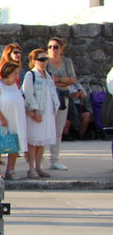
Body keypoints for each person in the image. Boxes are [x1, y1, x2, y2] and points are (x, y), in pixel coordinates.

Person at [0, 61, 28, 180]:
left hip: (15, 120)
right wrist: (2, 118)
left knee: (14, 144)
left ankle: (11, 170)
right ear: (7, 73)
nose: (17, 76)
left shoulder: (14, 86)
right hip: (0, 121)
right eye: (15, 73)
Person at [23, 48, 59, 179]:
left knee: (42, 142)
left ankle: (39, 166)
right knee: (33, 142)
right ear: (33, 61)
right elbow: (28, 93)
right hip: (37, 112)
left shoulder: (49, 76)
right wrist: (35, 109)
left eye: (45, 59)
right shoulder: (30, 75)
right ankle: (31, 168)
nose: (44, 62)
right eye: (41, 59)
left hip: (48, 111)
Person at [46, 37, 76, 170]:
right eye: (50, 47)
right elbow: (46, 80)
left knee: (58, 130)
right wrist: (61, 81)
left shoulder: (67, 62)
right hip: (48, 97)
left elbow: (73, 79)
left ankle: (55, 159)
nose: (53, 49)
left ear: (61, 49)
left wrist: (58, 80)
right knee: (45, 129)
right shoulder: (45, 61)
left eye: (56, 46)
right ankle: (38, 160)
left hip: (62, 97)